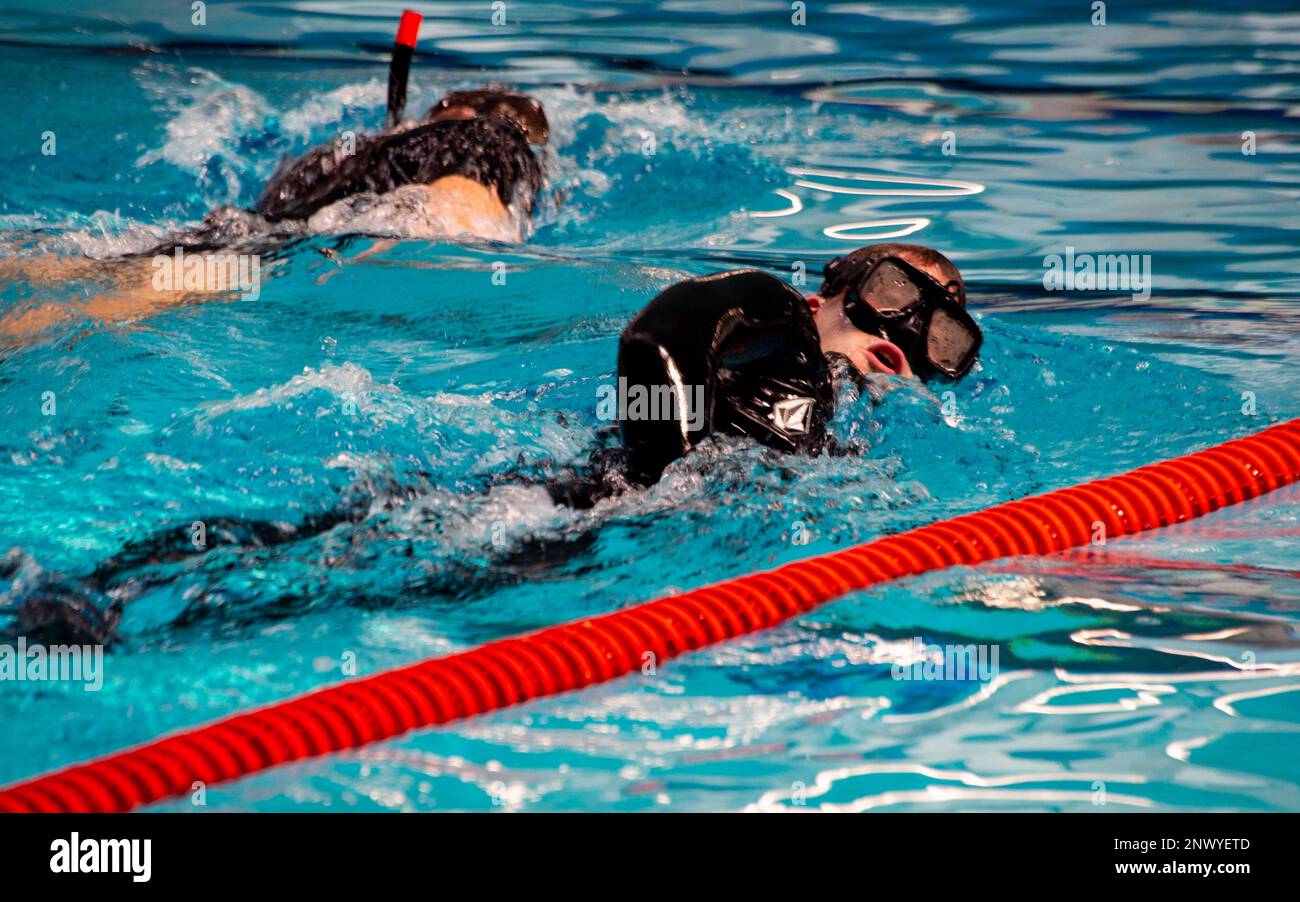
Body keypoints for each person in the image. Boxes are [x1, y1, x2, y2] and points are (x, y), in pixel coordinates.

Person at [0, 88, 549, 343]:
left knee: (71, 266)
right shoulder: (491, 138)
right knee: (93, 313)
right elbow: (457, 212)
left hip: (241, 231)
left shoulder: (360, 148)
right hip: (280, 255)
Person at [579, 243, 982, 493]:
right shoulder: (784, 322)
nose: (899, 341)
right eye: (889, 293)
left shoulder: (871, 448)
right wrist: (659, 486)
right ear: (815, 307)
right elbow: (654, 341)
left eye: (942, 343)